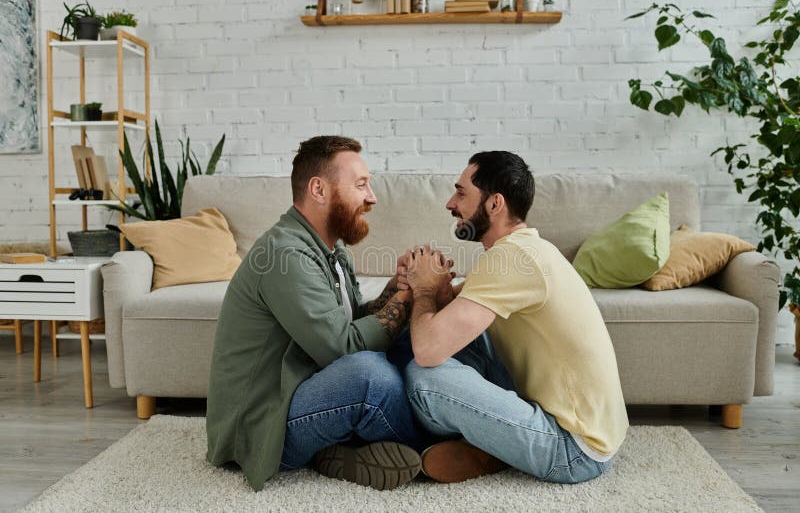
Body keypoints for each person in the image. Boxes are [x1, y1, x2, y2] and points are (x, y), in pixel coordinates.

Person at [206, 136, 421, 492]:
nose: (372, 197)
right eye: (361, 185)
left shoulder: (331, 250)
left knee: (415, 340)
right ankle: (434, 450)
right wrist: (412, 295)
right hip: (262, 425)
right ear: (319, 189)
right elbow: (344, 349)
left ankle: (336, 451)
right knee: (368, 377)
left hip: (300, 390)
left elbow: (352, 322)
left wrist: (397, 289)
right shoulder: (285, 254)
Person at [403, 151, 629, 484]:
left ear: (494, 204)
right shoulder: (525, 250)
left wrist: (423, 292)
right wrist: (429, 285)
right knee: (462, 334)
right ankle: (498, 445)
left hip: (575, 450)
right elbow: (454, 313)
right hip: (591, 431)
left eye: (461, 192)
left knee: (424, 379)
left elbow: (427, 350)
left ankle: (494, 447)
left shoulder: (510, 259)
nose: (451, 203)